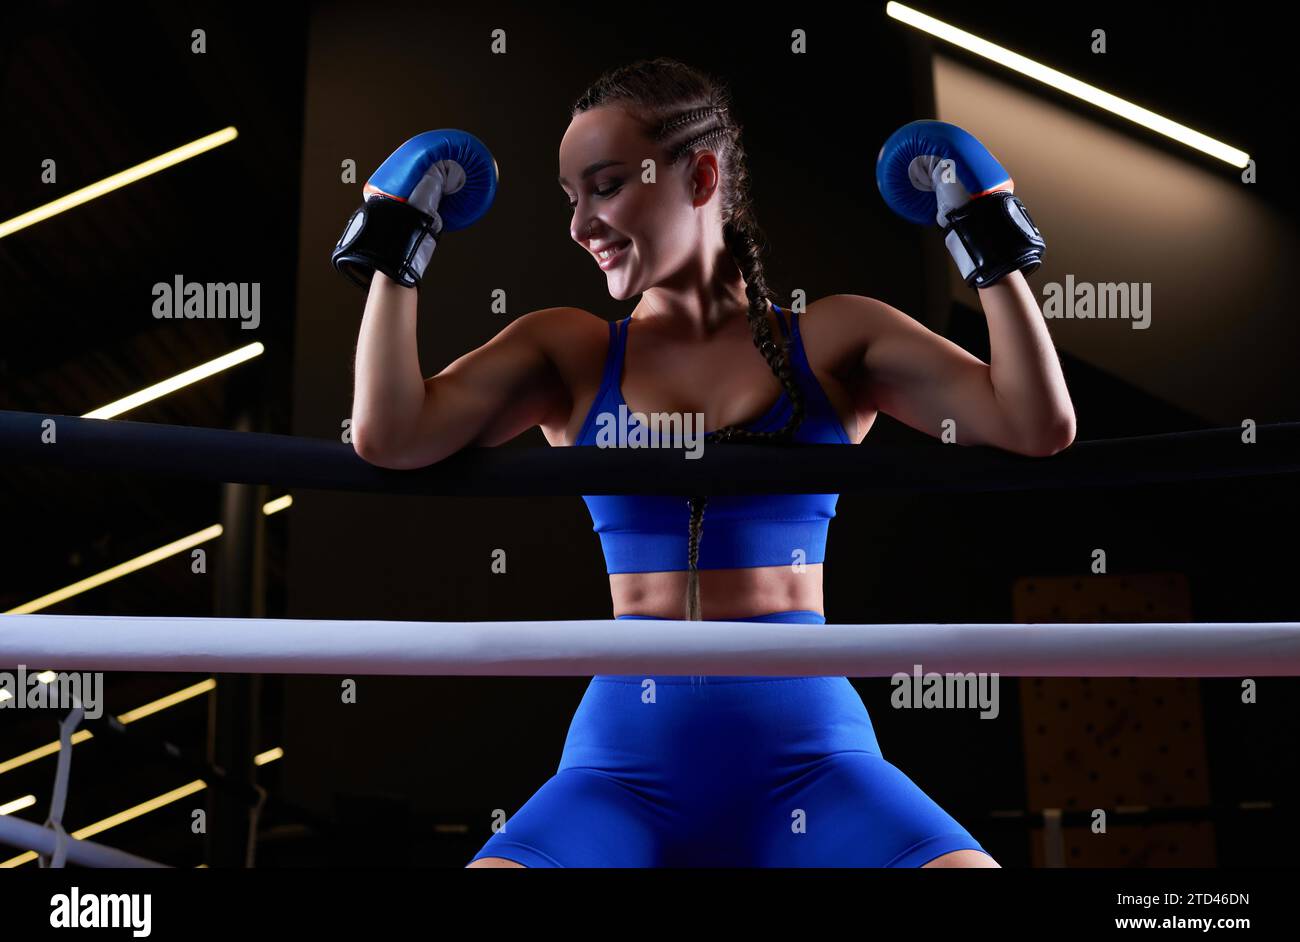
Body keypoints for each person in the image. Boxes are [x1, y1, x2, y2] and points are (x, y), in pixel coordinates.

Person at [344, 58, 1075, 867]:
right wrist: (396, 236)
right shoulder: (573, 350)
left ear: (699, 176)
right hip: (623, 771)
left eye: (606, 185)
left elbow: (1035, 422)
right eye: (571, 197)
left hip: (814, 762)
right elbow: (390, 433)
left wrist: (983, 228)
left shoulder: (832, 338)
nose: (581, 224)